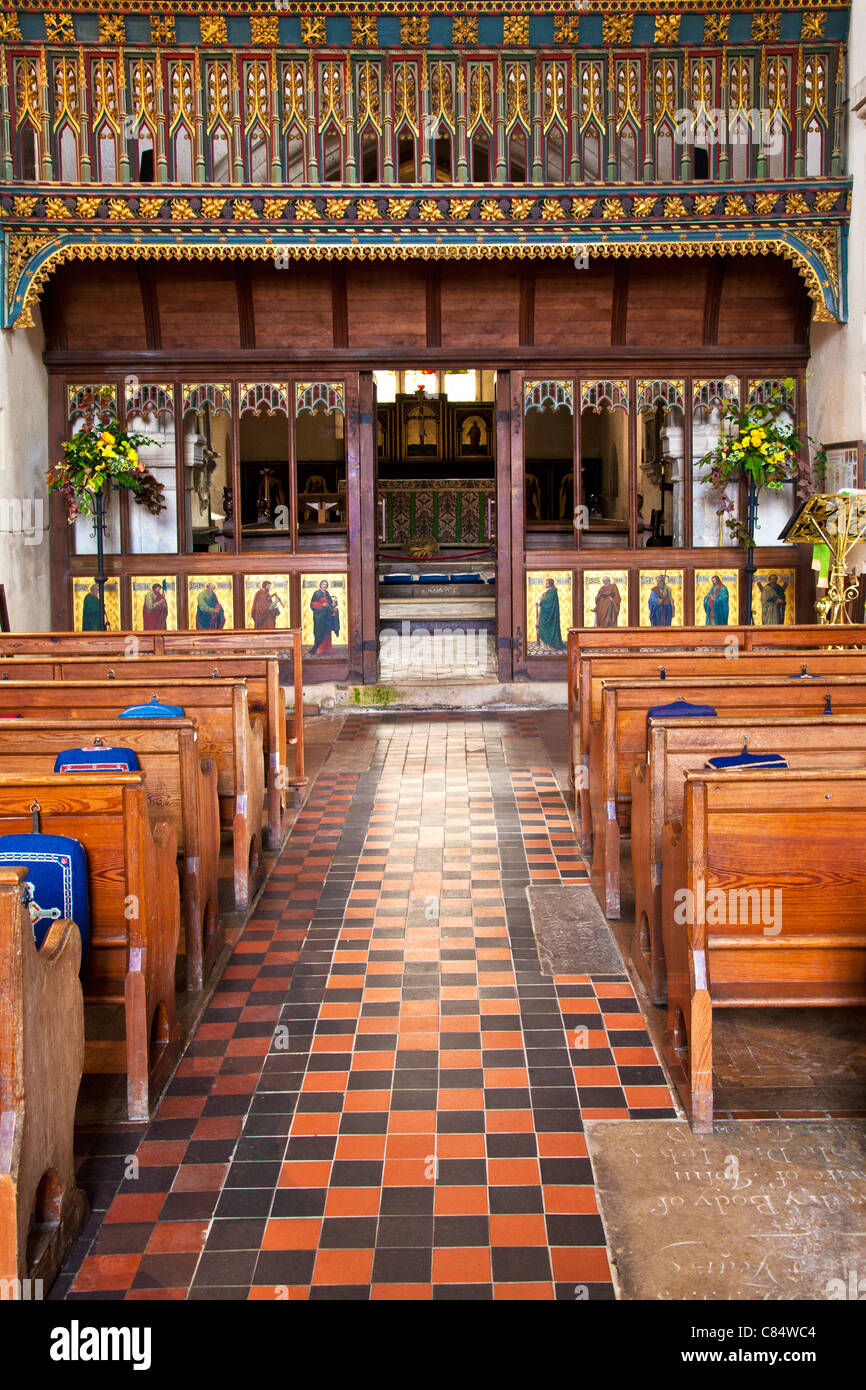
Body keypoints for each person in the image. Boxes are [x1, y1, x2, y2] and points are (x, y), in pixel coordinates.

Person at [310, 579, 340, 654]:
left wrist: (333, 607)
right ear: (320, 585)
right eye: (323, 584)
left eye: (326, 584)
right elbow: (312, 604)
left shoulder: (327, 594)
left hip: (327, 616)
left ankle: (328, 648)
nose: (325, 586)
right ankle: (320, 648)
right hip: (319, 617)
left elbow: (330, 605)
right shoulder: (316, 593)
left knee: (327, 632)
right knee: (320, 632)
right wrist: (321, 605)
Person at [536, 577, 566, 651]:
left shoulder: (552, 592)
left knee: (544, 626)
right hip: (547, 615)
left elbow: (548, 603)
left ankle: (550, 645)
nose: (545, 584)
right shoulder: (549, 592)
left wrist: (541, 601)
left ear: (550, 584)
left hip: (550, 617)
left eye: (547, 583)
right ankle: (546, 645)